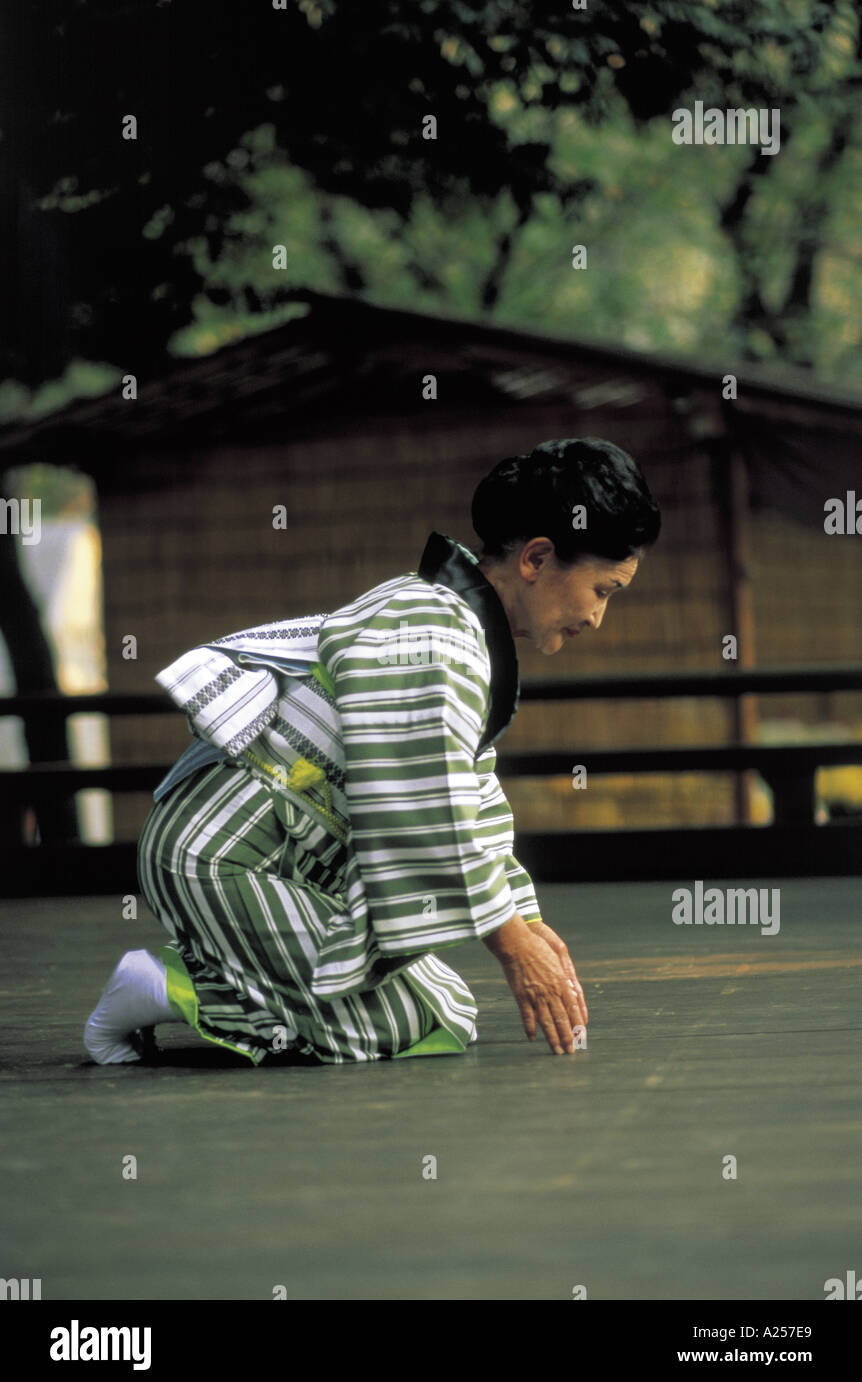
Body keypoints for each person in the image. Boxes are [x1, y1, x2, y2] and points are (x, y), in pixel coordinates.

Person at [83, 437, 661, 1067]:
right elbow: (422, 802)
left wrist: (524, 917)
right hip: (226, 855)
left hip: (280, 855)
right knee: (408, 1024)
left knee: (450, 1008)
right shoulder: (432, 630)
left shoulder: (451, 625)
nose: (598, 617)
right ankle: (165, 985)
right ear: (538, 558)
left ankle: (227, 967)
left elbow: (467, 794)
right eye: (603, 590)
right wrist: (511, 944)